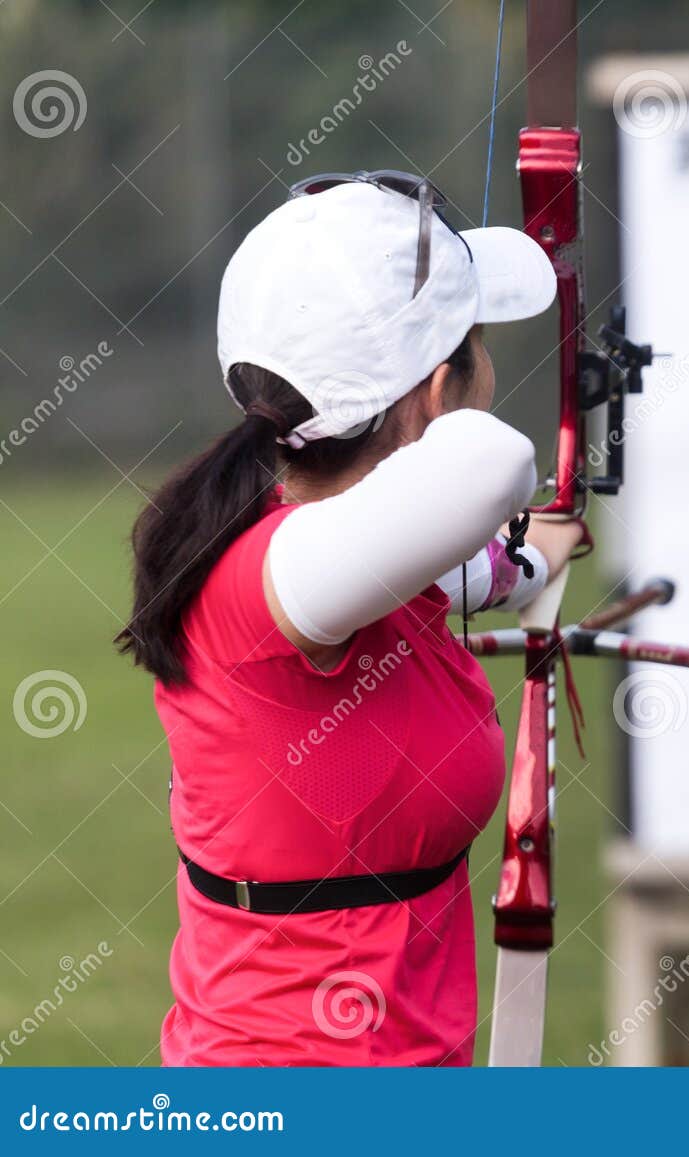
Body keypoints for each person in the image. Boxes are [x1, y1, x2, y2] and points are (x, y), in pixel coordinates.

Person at [116, 173, 586, 1065]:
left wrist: (528, 558)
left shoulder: (356, 572)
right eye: (477, 349)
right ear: (440, 388)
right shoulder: (276, 576)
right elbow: (490, 465)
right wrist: (466, 461)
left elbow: (455, 571)